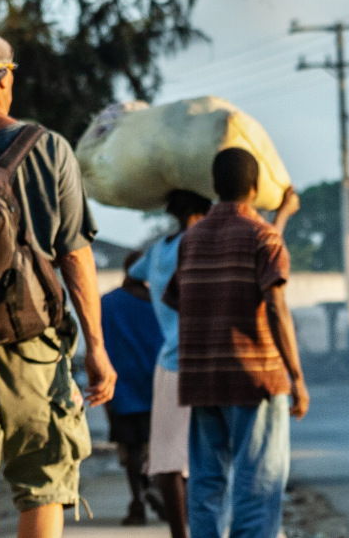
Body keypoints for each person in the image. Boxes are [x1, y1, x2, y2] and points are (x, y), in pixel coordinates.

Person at [0, 29, 118, 538]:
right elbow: (75, 256)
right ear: (3, 81)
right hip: (33, 344)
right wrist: (96, 347)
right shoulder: (48, 148)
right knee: (46, 486)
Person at [164, 147, 306, 538]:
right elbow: (276, 305)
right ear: (256, 187)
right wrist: (296, 376)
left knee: (207, 481)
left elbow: (177, 299)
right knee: (258, 484)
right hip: (255, 379)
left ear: (213, 186)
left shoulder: (190, 241)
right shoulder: (263, 237)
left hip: (202, 379)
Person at [128, 189, 213, 538]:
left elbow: (131, 278)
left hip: (171, 362)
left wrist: (159, 304)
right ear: (202, 208)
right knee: (209, 456)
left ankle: (180, 534)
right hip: (209, 361)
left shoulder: (159, 249)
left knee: (168, 458)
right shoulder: (206, 241)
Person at [100, 250, 165, 526]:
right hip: (157, 386)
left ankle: (137, 500)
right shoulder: (162, 303)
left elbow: (98, 344)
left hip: (120, 386)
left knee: (131, 448)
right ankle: (156, 487)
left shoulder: (106, 303)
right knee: (160, 447)